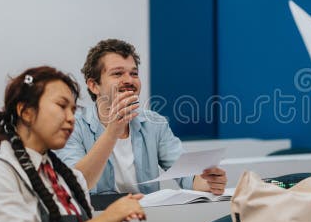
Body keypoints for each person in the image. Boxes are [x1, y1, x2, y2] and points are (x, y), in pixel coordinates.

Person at [0, 66, 146, 222]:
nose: (71, 118)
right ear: (26, 111)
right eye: (61, 106)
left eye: (72, 110)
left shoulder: (70, 177)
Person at [59, 38, 227, 195]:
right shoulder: (72, 126)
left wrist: (208, 182)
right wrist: (112, 133)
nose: (129, 80)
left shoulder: (154, 123)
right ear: (94, 85)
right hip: (97, 220)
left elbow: (186, 175)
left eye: (134, 73)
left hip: (146, 220)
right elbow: (74, 185)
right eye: (117, 74)